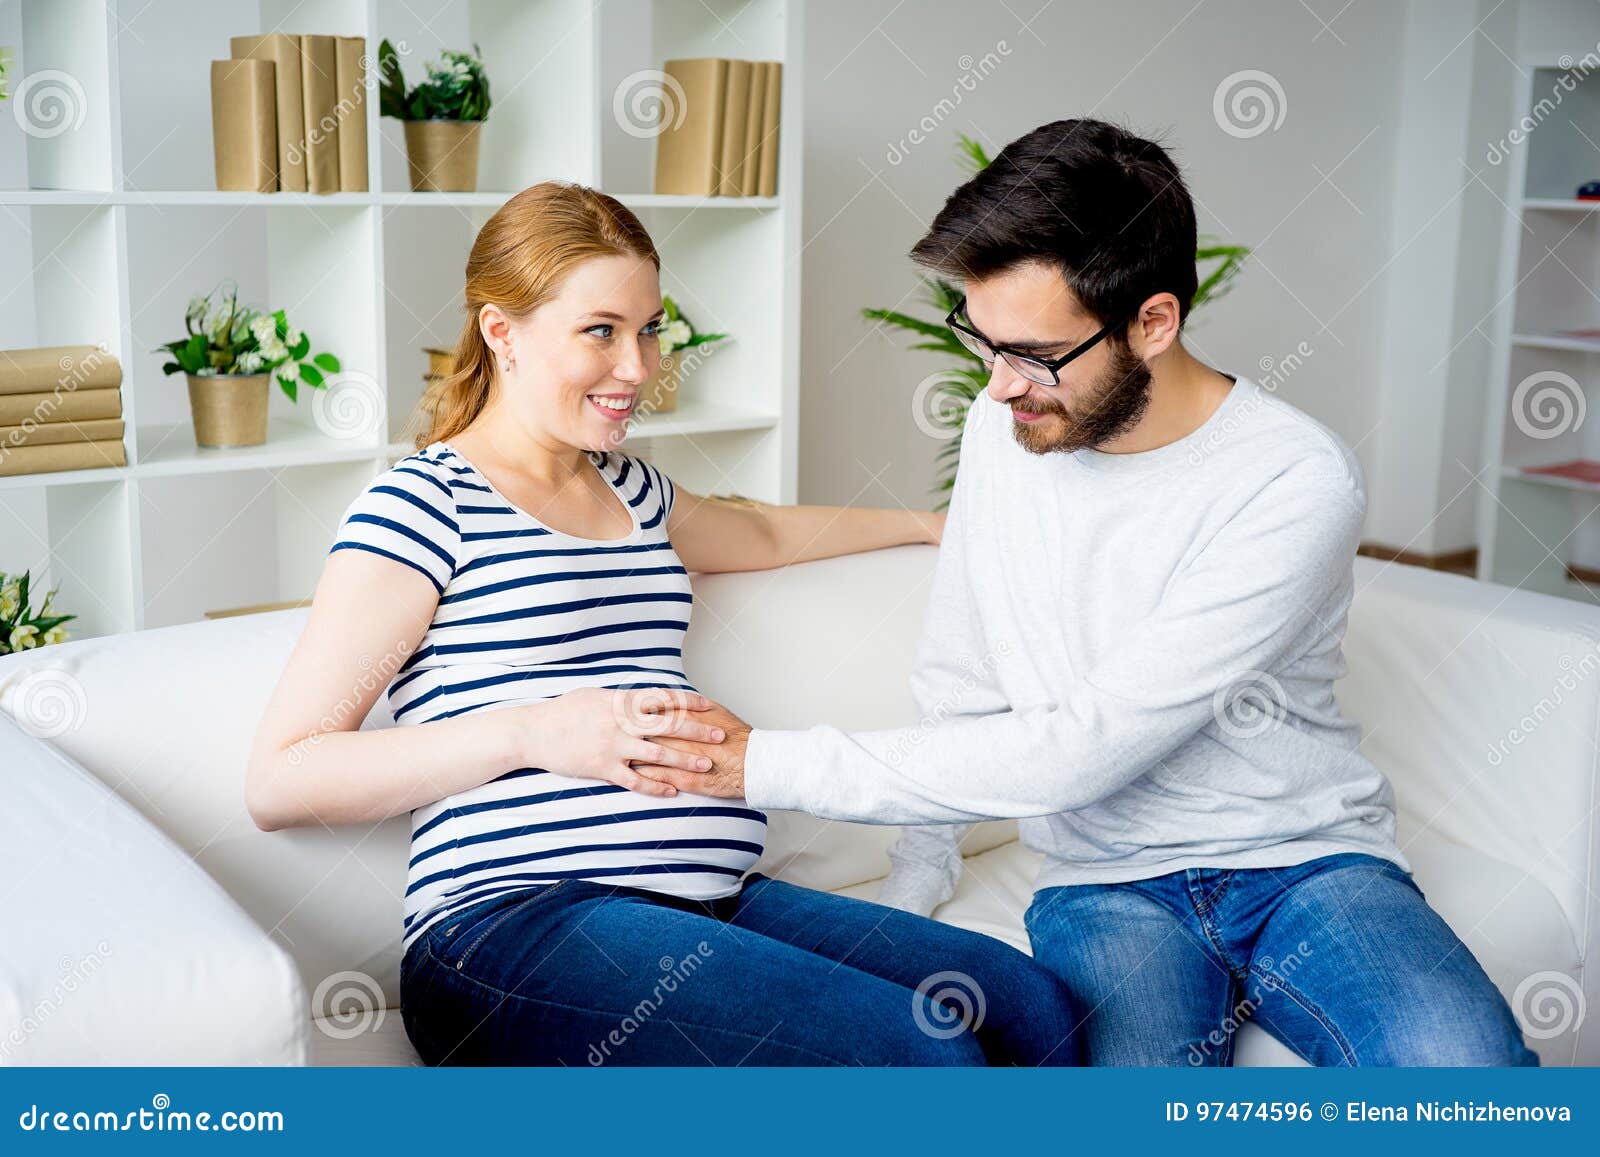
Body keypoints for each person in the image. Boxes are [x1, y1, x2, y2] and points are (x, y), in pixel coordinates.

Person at [638, 119, 1538, 1068]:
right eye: (983, 342)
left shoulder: (1293, 479)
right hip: (1104, 886)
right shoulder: (1012, 430)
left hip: (1304, 862)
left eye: (1032, 353)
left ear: (1154, 321)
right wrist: (922, 864)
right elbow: (965, 666)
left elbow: (1086, 748)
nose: (995, 388)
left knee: (1467, 1073)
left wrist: (758, 763)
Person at [246, 181, 1081, 1067]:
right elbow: (282, 776)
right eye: (600, 331)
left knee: (1030, 1007)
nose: (639, 367)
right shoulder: (425, 503)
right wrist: (533, 731)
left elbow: (760, 530)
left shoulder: (632, 489)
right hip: (516, 927)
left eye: (648, 328)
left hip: (715, 899)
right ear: (503, 332)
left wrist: (930, 529)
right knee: (919, 1055)